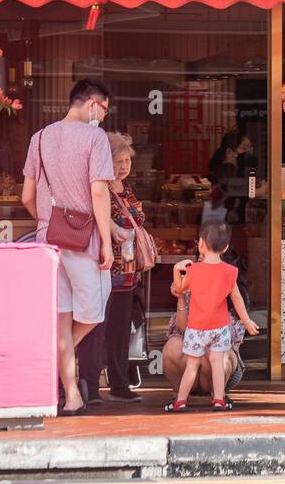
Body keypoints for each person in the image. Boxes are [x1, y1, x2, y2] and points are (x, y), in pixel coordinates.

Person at [21, 78, 114, 416]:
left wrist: (47, 222)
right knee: (94, 310)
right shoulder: (95, 137)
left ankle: (71, 394)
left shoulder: (40, 137)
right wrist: (106, 241)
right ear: (92, 103)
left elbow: (26, 197)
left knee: (62, 318)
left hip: (49, 241)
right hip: (82, 238)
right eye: (104, 109)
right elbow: (99, 192)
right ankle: (48, 361)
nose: (103, 117)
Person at [164, 222, 258, 412]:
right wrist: (247, 321)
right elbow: (237, 298)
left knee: (192, 364)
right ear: (225, 247)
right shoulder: (230, 272)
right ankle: (218, 400)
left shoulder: (193, 271)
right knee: (217, 362)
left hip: (197, 328)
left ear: (200, 244)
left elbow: (180, 289)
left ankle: (180, 401)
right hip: (220, 327)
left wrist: (176, 269)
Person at [92, 131, 146, 403]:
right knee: (99, 327)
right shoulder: (100, 189)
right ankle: (91, 382)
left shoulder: (127, 189)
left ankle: (119, 383)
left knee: (121, 328)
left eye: (127, 161)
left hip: (128, 271)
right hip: (107, 268)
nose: (124, 166)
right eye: (118, 161)